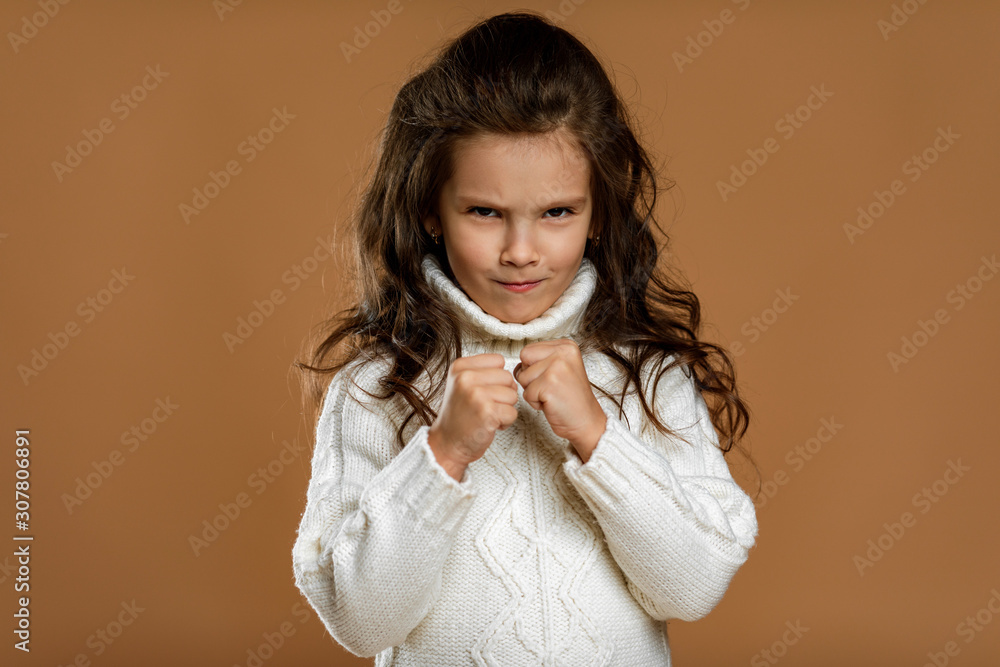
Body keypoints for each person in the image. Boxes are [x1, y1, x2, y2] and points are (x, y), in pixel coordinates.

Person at [291, 10, 759, 666]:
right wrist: (442, 455)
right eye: (485, 212)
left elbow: (694, 585)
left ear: (599, 212)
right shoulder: (375, 388)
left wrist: (598, 436)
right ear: (430, 209)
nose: (520, 250)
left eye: (557, 212)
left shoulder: (648, 376)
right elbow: (360, 621)